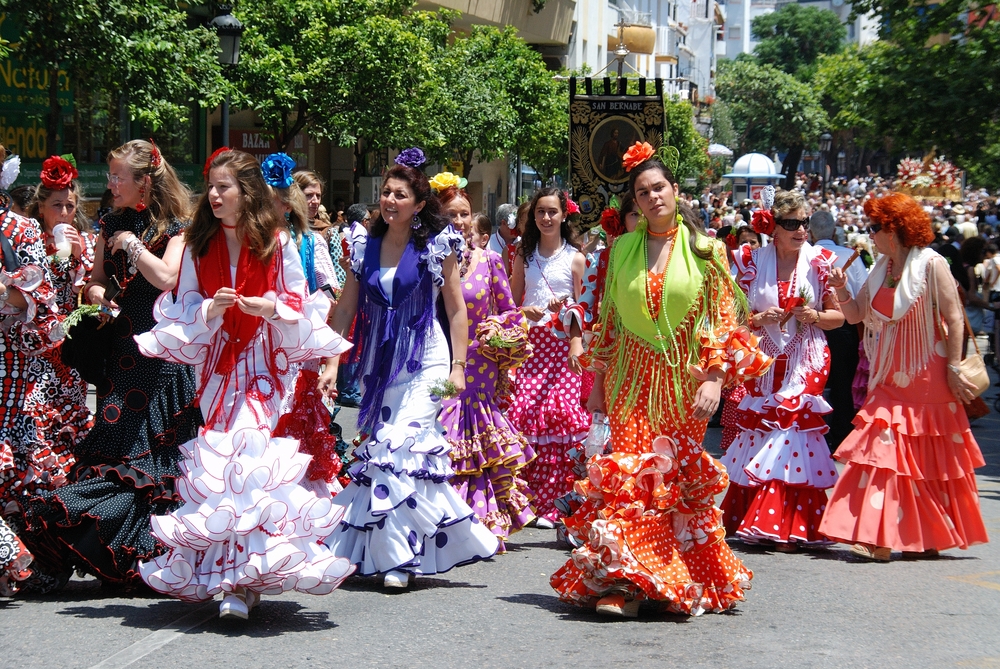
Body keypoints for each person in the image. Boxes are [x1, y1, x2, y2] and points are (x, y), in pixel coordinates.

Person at [550, 143, 770, 617]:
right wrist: (598, 383)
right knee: (631, 474)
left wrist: (714, 379)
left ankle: (677, 578)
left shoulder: (706, 251)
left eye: (659, 188)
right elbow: (607, 323)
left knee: (672, 477)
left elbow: (722, 321)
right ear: (635, 201)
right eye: (642, 192)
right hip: (630, 379)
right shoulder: (620, 249)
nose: (652, 198)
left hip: (682, 383)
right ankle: (625, 584)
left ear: (675, 192)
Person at [135, 149, 354, 619]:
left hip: (262, 360)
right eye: (211, 186)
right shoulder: (198, 241)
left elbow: (300, 297)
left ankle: (242, 580)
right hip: (216, 364)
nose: (213, 195)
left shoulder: (276, 241)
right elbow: (186, 299)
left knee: (247, 449)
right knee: (223, 465)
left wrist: (268, 307)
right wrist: (209, 310)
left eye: (224, 187)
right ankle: (238, 577)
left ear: (245, 192)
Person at [19, 139, 202, 589]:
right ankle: (99, 552)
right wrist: (97, 296)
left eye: (120, 176)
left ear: (145, 181)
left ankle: (145, 559)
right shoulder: (109, 222)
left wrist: (133, 245)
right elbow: (97, 281)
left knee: (154, 460)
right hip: (121, 352)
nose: (111, 183)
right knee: (116, 451)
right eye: (112, 174)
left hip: (161, 355)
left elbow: (169, 278)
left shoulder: (178, 225)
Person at [323, 153, 499, 589]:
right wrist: (330, 362)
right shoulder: (363, 245)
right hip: (381, 367)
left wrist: (459, 368)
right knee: (388, 455)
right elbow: (346, 307)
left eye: (400, 194)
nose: (389, 200)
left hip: (428, 361)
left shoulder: (437, 246)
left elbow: (456, 311)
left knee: (397, 446)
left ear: (419, 204)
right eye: (385, 192)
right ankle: (408, 548)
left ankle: (399, 559)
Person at [819, 193, 989, 561]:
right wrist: (841, 287)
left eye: (874, 227)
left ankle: (922, 535)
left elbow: (955, 317)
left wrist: (955, 368)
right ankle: (877, 536)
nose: (870, 234)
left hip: (929, 373)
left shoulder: (932, 263)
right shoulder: (881, 267)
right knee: (879, 453)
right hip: (889, 377)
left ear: (893, 229)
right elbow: (855, 315)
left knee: (927, 462)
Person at [721, 187, 845, 551]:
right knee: (762, 428)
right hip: (762, 357)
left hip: (805, 357)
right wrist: (757, 318)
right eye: (792, 223)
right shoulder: (749, 261)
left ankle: (785, 523)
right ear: (773, 226)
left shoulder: (820, 261)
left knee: (790, 429)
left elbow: (838, 318)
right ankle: (755, 516)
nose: (801, 230)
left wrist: (815, 315)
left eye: (804, 222)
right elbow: (728, 315)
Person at [434, 178, 536, 552]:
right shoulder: (427, 256)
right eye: (450, 215)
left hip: (479, 365)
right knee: (443, 437)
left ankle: (479, 522)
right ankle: (444, 520)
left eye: (464, 214)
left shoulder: (490, 260)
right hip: (436, 360)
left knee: (476, 443)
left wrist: (499, 330)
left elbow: (510, 310)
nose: (458, 221)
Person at [14, 158, 99, 505]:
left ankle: (63, 508)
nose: (63, 212)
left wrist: (80, 258)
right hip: (33, 350)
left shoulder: (88, 242)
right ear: (41, 207)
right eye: (56, 205)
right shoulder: (27, 242)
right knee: (35, 425)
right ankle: (34, 501)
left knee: (69, 427)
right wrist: (51, 257)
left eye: (70, 205)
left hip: (70, 352)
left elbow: (94, 291)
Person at [262, 152, 345, 498]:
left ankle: (303, 497)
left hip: (300, 343)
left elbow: (328, 296)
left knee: (299, 415)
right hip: (264, 341)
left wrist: (330, 359)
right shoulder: (257, 240)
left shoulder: (311, 241)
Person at [508, 187, 592, 529]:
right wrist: (523, 312)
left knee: (560, 416)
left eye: (552, 212)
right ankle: (525, 501)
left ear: (564, 215)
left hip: (562, 347)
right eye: (540, 211)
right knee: (524, 415)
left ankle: (557, 501)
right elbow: (511, 303)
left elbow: (584, 307)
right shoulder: (522, 256)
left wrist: (575, 340)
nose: (545, 218)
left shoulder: (576, 258)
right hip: (530, 347)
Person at [0, 143, 61, 593]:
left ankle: (24, 559)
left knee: (17, 473)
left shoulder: (19, 229)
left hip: (8, 363)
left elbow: (40, 299)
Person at [810, 210, 869, 452]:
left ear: (811, 233)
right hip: (845, 326)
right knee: (844, 383)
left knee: (815, 382)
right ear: (834, 232)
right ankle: (843, 435)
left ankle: (813, 433)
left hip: (814, 324)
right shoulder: (851, 256)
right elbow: (865, 292)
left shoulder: (806, 256)